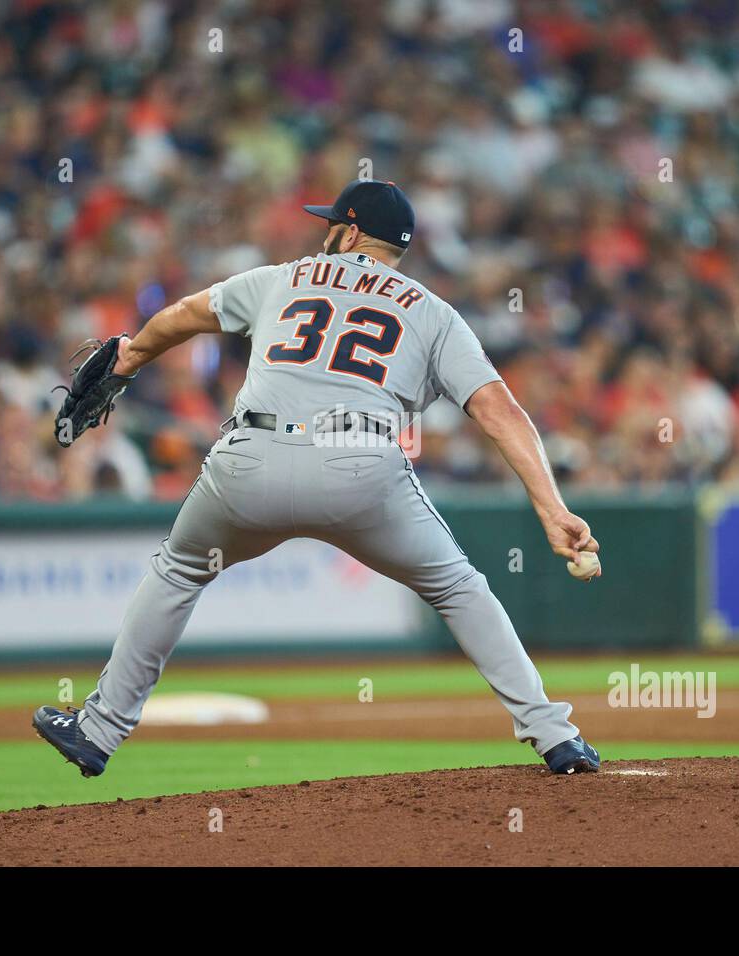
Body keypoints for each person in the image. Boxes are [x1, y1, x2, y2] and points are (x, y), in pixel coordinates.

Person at [33, 180, 601, 776]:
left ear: (350, 232)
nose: (324, 229)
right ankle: (553, 735)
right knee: (459, 588)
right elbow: (499, 411)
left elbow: (184, 315)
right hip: (359, 464)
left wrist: (128, 356)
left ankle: (97, 733)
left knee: (179, 569)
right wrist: (552, 509)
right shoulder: (433, 312)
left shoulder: (284, 276)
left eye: (332, 221)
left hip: (250, 458)